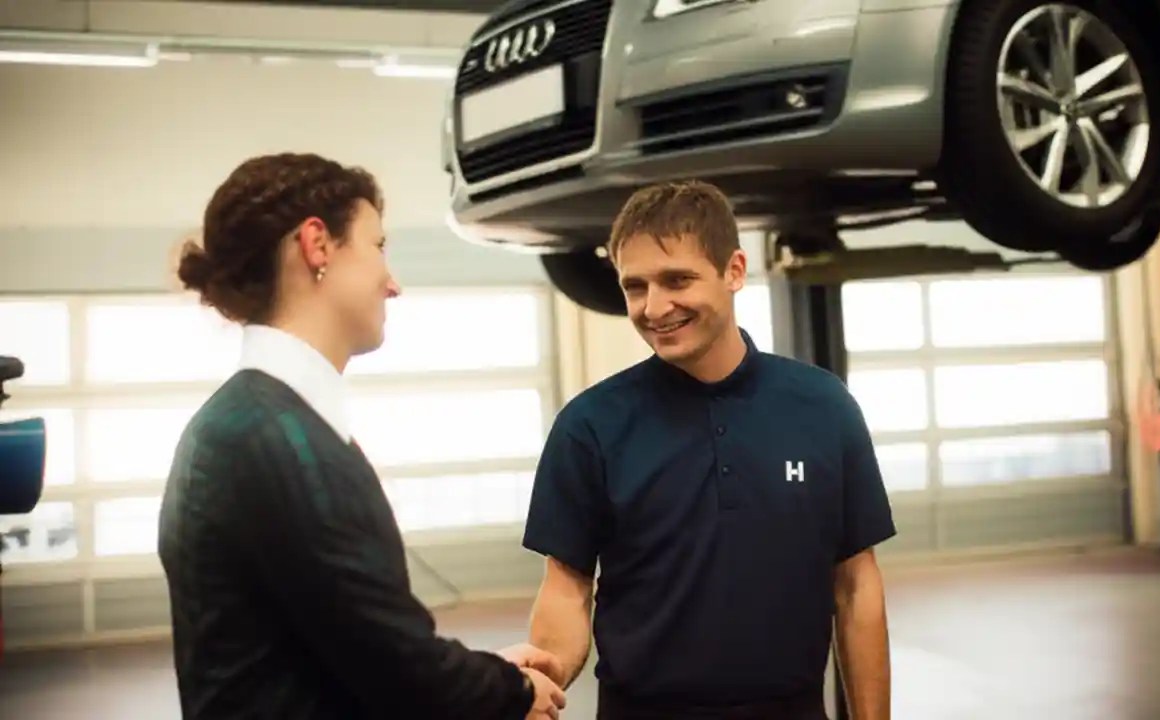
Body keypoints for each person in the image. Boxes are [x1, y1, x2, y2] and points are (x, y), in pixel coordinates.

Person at [158, 152, 567, 720]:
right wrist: (509, 690)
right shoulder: (282, 442)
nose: (392, 283)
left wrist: (482, 671)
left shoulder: (236, 423)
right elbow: (398, 668)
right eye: (378, 247)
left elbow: (350, 644)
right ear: (317, 245)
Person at [521, 180, 896, 719]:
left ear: (734, 271)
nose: (654, 307)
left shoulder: (824, 407)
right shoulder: (589, 426)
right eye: (635, 286)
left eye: (677, 280)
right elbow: (567, 588)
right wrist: (542, 684)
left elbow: (856, 587)